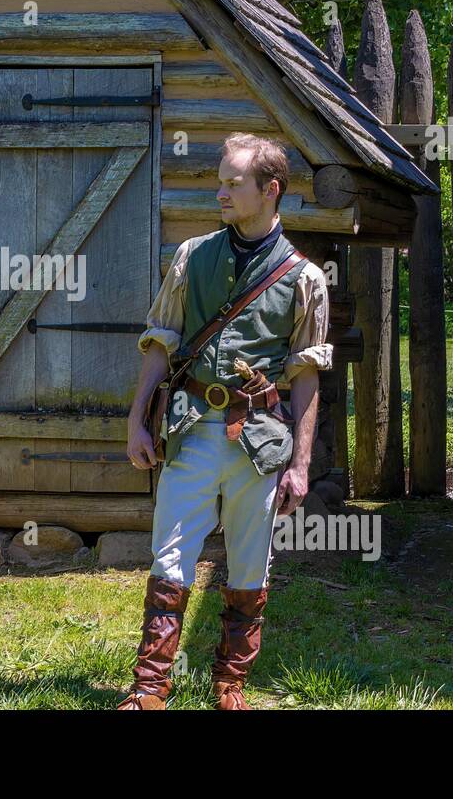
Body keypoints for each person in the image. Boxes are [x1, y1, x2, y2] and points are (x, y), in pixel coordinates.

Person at [118, 133, 332, 710]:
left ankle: (230, 685)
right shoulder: (192, 257)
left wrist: (302, 465)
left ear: (271, 190)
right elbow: (160, 341)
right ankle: (149, 690)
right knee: (169, 557)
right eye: (221, 181)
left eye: (233, 183)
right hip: (189, 427)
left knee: (248, 564)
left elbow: (306, 375)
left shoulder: (306, 279)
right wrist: (138, 419)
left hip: (260, 441)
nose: (221, 193)